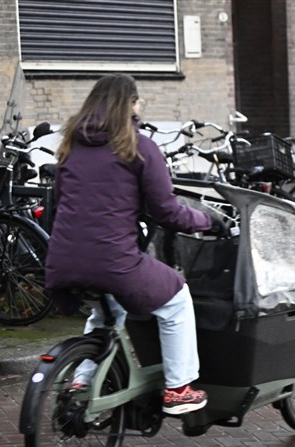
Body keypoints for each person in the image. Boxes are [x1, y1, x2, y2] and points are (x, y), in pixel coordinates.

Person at [45, 74, 220, 415]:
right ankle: (179, 389)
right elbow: (167, 211)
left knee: (105, 311)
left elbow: (62, 199)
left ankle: (82, 381)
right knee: (176, 298)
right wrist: (208, 221)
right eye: (138, 102)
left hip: (62, 259)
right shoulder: (138, 146)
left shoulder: (70, 146)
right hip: (112, 260)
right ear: (130, 105)